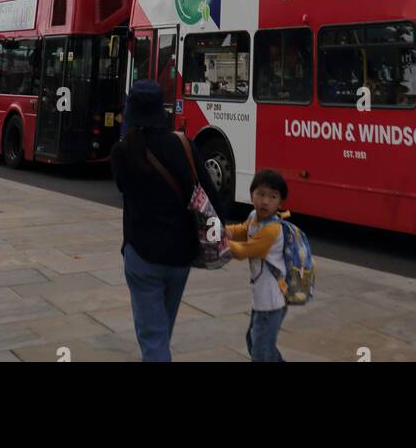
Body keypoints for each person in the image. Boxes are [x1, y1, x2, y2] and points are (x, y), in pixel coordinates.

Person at [111, 80, 222, 363]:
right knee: (162, 331)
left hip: (142, 254)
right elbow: (213, 197)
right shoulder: (183, 144)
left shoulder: (123, 152)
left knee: (153, 338)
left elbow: (124, 188)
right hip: (180, 257)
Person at [227, 169, 290, 363]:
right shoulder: (255, 216)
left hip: (271, 301)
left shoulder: (272, 230)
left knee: (260, 351)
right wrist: (223, 230)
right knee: (257, 343)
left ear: (280, 203)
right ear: (251, 194)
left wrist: (219, 242)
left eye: (272, 197)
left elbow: (244, 250)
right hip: (261, 298)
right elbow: (242, 230)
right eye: (260, 194)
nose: (265, 201)